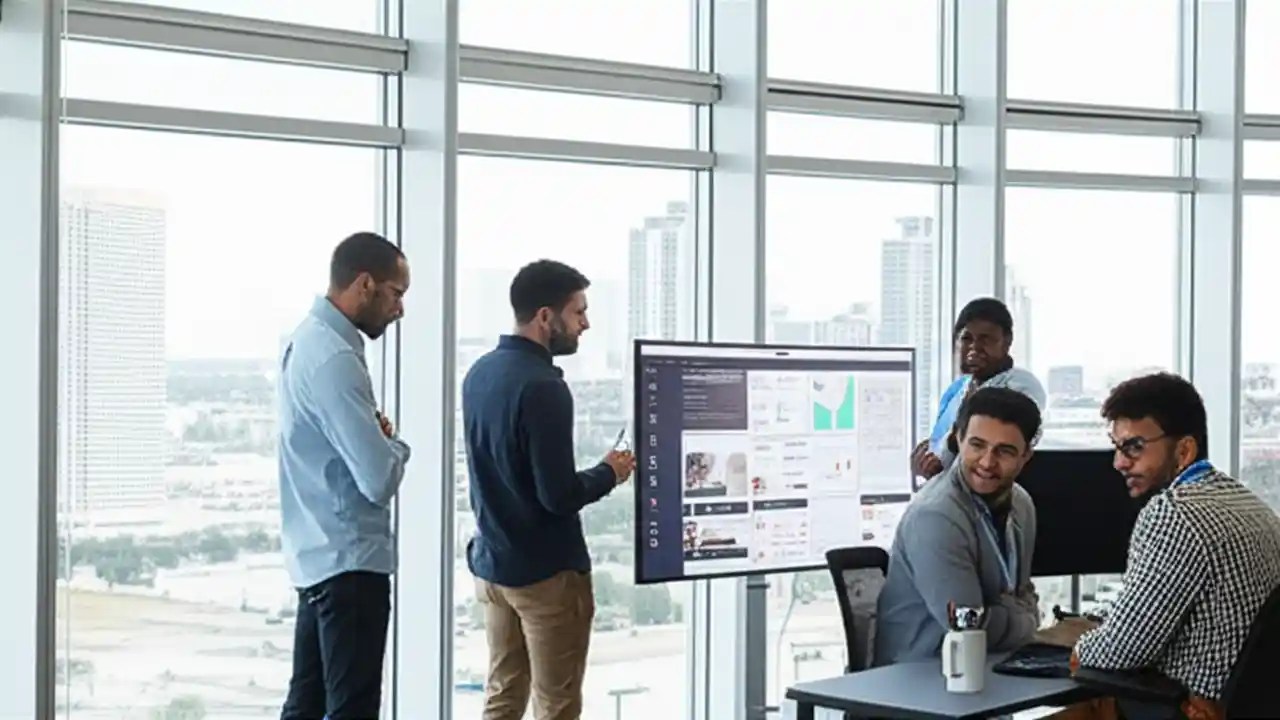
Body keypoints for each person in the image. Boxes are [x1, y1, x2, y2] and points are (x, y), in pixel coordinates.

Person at [463, 259, 636, 720]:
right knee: (556, 707)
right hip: (546, 578)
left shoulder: (479, 373)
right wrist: (610, 471)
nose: (586, 324)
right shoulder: (544, 387)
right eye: (578, 312)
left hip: (495, 569)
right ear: (546, 317)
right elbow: (557, 496)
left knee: (502, 696)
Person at [1060, 373, 1280, 720]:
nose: (1118, 463)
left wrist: (1082, 647)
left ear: (1184, 450)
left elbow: (1122, 650)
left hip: (1175, 708)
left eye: (1134, 447)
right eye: (1116, 447)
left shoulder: (1174, 513)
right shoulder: (1252, 504)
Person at [278, 232, 412, 720]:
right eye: (396, 294)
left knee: (306, 706)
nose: (399, 309)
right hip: (350, 563)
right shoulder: (336, 358)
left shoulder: (304, 341)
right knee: (351, 711)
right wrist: (395, 445)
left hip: (317, 556)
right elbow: (378, 478)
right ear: (365, 284)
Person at [875, 387, 1043, 666]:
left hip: (993, 667)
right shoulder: (935, 516)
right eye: (977, 445)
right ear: (958, 438)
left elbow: (1022, 591)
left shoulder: (1021, 504)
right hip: (923, 674)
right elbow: (968, 626)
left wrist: (1011, 613)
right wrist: (1027, 623)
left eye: (1005, 451)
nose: (988, 462)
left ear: (1026, 456)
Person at [912, 297, 1046, 483]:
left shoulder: (1020, 386)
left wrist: (944, 468)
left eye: (986, 340)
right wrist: (923, 462)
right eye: (966, 339)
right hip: (943, 494)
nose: (974, 348)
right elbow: (938, 448)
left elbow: (994, 455)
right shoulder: (956, 390)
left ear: (1006, 342)